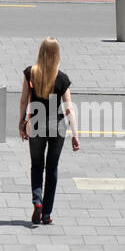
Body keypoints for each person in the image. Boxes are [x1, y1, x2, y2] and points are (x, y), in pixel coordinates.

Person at [18, 38, 80, 226]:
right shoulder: (61, 78)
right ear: (57, 55)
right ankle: (46, 214)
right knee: (52, 168)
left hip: (36, 124)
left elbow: (23, 100)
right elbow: (69, 108)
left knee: (36, 165)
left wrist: (21, 123)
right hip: (57, 127)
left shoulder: (30, 73)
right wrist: (75, 135)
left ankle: (37, 202)